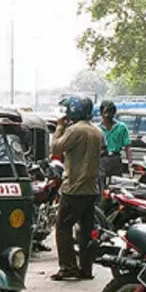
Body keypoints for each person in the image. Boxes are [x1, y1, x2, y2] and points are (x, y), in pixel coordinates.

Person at [50, 96, 104, 281]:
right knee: (85, 230)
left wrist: (59, 127)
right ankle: (86, 268)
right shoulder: (97, 131)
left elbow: (55, 148)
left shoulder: (75, 130)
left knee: (63, 227)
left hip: (74, 188)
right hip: (91, 188)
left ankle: (68, 268)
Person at [97, 100, 131, 190]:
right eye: (105, 112)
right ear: (101, 113)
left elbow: (127, 147)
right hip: (101, 160)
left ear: (114, 113)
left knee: (117, 186)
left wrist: (130, 164)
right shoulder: (97, 129)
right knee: (101, 185)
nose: (107, 115)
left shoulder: (121, 127)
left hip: (116, 159)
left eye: (110, 112)